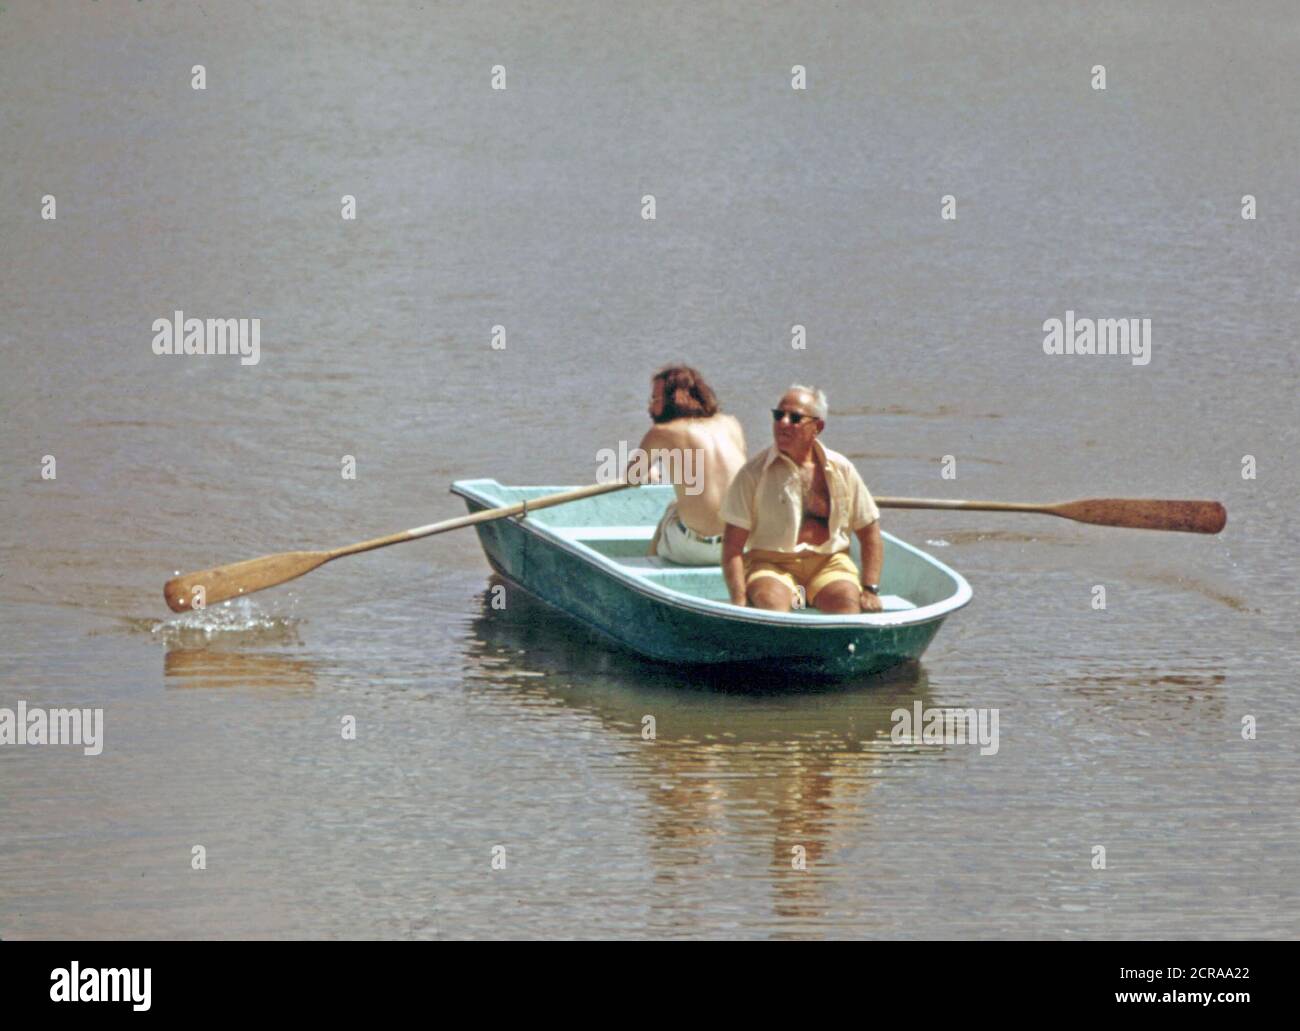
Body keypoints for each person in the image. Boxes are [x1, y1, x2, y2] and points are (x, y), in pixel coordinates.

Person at [720, 385, 884, 613]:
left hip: (829, 562)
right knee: (770, 600)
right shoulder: (753, 473)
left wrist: (870, 588)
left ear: (817, 427)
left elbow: (870, 533)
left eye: (795, 418)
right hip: (772, 564)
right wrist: (738, 599)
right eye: (779, 415)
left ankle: (840, 646)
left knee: (847, 601)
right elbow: (732, 545)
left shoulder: (841, 469)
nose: (783, 423)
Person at [638, 366, 747, 565]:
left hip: (697, 550)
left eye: (655, 399)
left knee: (670, 511)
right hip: (741, 545)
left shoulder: (661, 432)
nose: (650, 407)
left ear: (673, 400)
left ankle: (650, 567)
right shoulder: (731, 424)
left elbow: (632, 476)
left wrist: (650, 471)